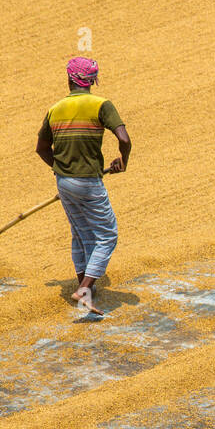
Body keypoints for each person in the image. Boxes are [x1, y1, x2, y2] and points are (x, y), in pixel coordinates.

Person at [35, 56, 132, 310]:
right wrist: (124, 159)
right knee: (107, 235)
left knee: (80, 233)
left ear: (69, 79)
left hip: (64, 183)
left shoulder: (55, 110)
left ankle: (86, 293)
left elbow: (42, 148)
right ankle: (85, 288)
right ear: (92, 82)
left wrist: (61, 169)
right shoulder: (101, 105)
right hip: (88, 182)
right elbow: (124, 137)